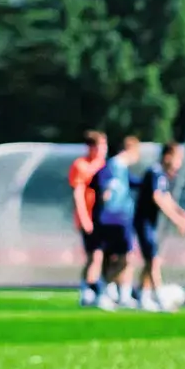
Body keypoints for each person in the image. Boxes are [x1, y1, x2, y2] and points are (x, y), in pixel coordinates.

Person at [134, 142, 185, 311]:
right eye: (177, 158)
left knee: (151, 259)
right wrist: (176, 219)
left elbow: (166, 197)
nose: (179, 163)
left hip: (150, 223)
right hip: (143, 222)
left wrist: (180, 212)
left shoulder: (161, 175)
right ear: (168, 157)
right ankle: (160, 298)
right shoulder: (155, 172)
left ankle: (143, 297)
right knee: (153, 260)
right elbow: (157, 197)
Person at [89, 135, 142, 309]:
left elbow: (135, 184)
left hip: (121, 219)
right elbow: (105, 189)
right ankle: (104, 291)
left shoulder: (123, 169)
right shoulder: (113, 166)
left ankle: (121, 294)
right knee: (122, 258)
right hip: (115, 219)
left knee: (124, 258)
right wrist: (106, 201)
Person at [68, 130, 108, 306]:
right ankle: (90, 291)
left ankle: (89, 289)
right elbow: (78, 193)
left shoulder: (103, 164)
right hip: (90, 218)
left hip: (104, 217)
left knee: (99, 257)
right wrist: (84, 218)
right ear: (91, 147)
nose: (103, 150)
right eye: (100, 146)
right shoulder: (81, 165)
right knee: (95, 256)